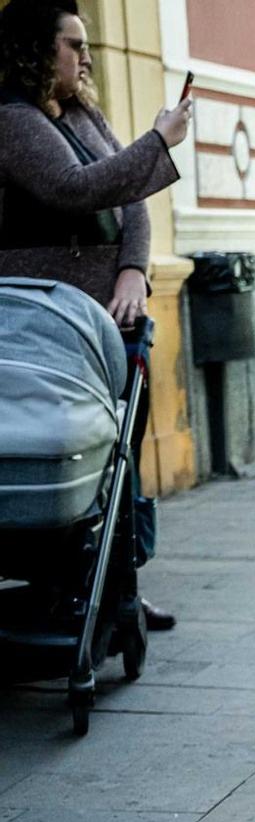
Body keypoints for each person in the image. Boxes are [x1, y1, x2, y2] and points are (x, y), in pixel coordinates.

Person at [0, 0, 190, 632]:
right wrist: (158, 140)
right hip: (50, 328)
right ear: (35, 50)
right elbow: (77, 188)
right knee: (78, 459)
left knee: (122, 458)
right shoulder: (12, 119)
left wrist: (134, 268)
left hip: (107, 320)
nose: (86, 57)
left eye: (86, 45)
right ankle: (77, 593)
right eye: (73, 45)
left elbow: (129, 196)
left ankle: (121, 589)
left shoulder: (81, 110)